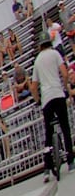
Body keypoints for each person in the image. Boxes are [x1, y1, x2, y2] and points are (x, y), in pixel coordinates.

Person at [30, 40, 73, 181]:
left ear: (39, 46)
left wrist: (38, 100)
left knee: (48, 134)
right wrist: (64, 87)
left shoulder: (37, 61)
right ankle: (71, 161)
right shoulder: (55, 54)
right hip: (58, 94)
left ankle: (47, 168)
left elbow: (33, 87)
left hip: (47, 98)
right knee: (65, 128)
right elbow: (64, 74)